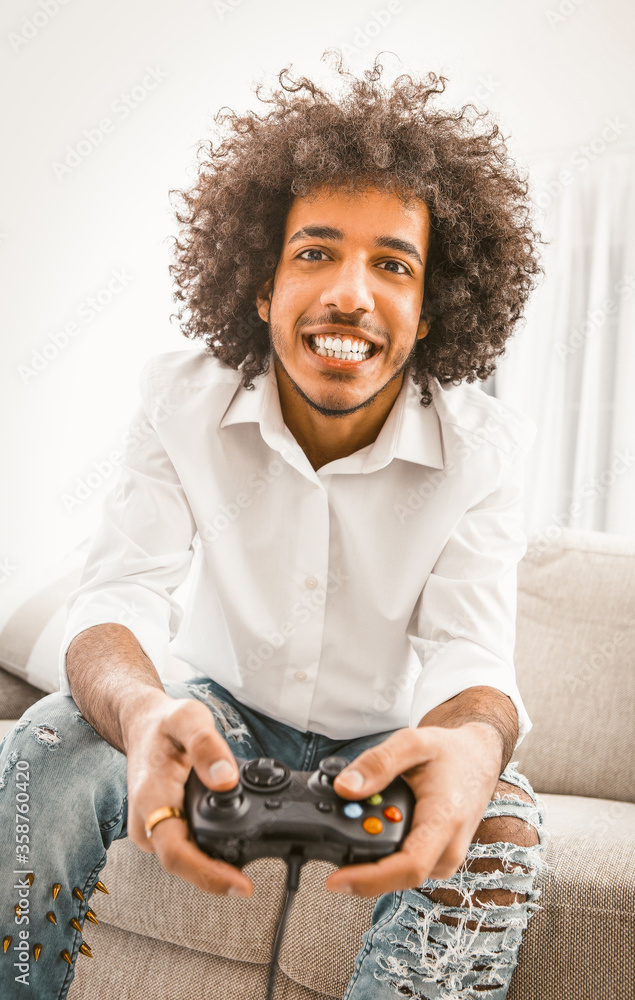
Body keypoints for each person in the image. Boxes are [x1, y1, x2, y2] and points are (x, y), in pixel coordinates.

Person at [0, 52, 546, 999]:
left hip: (386, 743)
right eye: (314, 252)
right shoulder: (179, 402)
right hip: (217, 708)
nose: (351, 294)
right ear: (260, 287)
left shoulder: (484, 449)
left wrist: (471, 745)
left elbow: (470, 652)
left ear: (427, 314)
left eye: (393, 265)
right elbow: (121, 589)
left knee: (500, 835)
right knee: (47, 740)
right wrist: (140, 712)